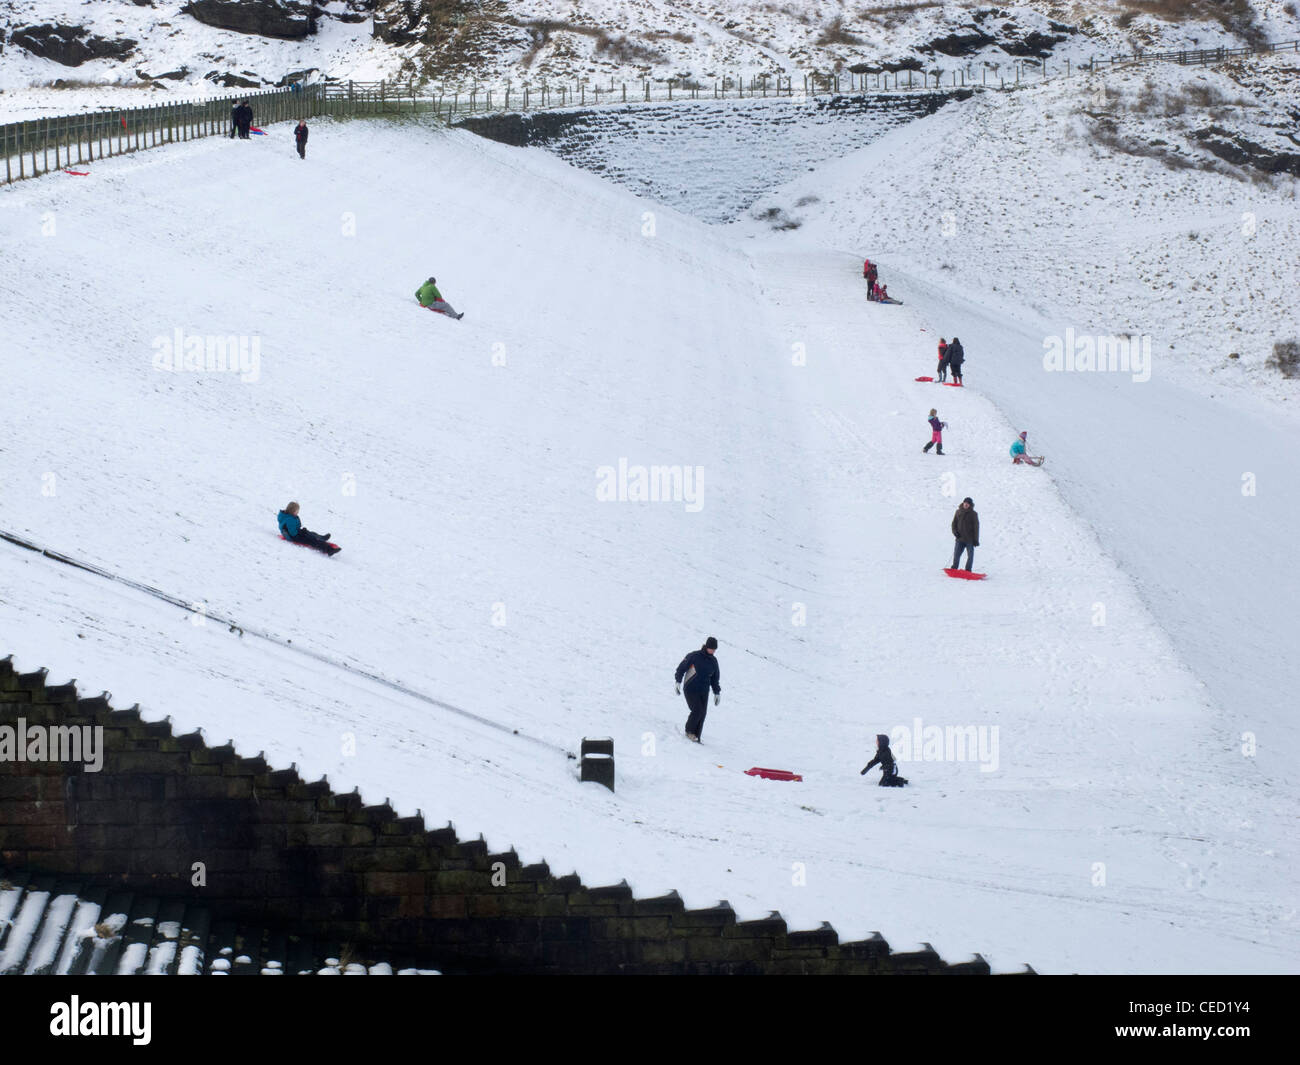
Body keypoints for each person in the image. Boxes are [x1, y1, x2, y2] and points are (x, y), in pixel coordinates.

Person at [674, 636, 721, 742]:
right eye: (712, 648)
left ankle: (696, 735)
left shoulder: (713, 661)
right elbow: (682, 668)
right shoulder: (694, 656)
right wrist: (678, 681)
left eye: (715, 649)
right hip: (690, 687)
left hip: (704, 691)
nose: (713, 651)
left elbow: (715, 678)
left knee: (703, 713)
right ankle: (689, 731)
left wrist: (717, 692)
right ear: (707, 646)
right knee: (697, 710)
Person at [951, 497, 979, 572]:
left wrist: (976, 540)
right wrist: (955, 533)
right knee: (956, 555)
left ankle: (968, 570)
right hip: (959, 539)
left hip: (969, 539)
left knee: (970, 556)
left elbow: (976, 527)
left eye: (968, 503)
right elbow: (954, 524)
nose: (966, 504)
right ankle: (954, 568)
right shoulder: (958, 512)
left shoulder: (974, 514)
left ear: (970, 505)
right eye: (965, 503)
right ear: (963, 503)